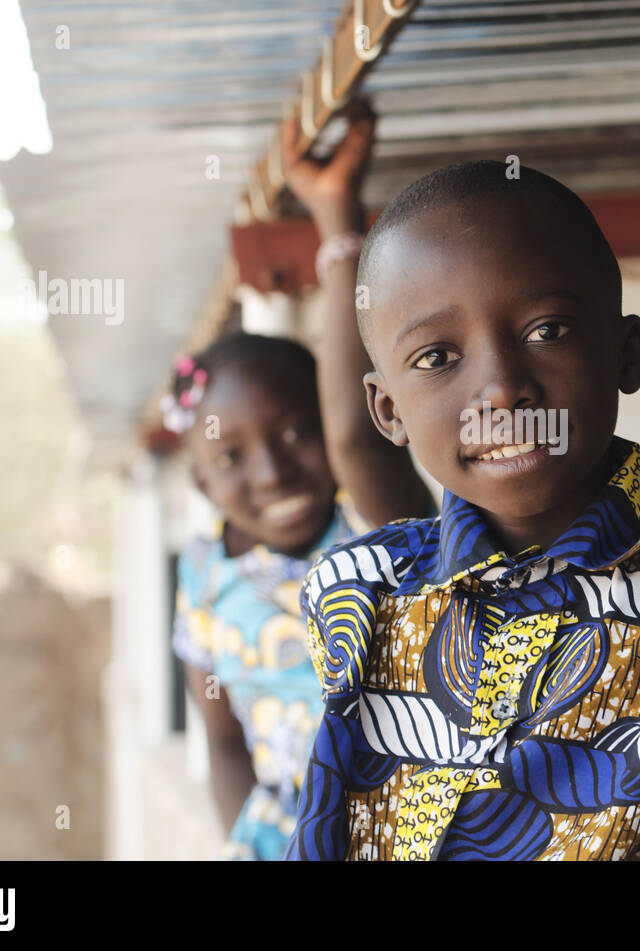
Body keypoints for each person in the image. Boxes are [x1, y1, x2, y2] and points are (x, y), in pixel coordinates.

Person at [285, 160, 640, 860]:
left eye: (547, 330)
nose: (500, 389)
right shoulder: (359, 590)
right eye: (437, 356)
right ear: (388, 409)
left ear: (627, 352)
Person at [170, 106, 430, 860]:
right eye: (232, 456)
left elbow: (354, 430)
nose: (273, 469)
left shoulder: (374, 523)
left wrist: (335, 217)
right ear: (200, 480)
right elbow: (221, 745)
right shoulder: (202, 575)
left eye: (296, 432)